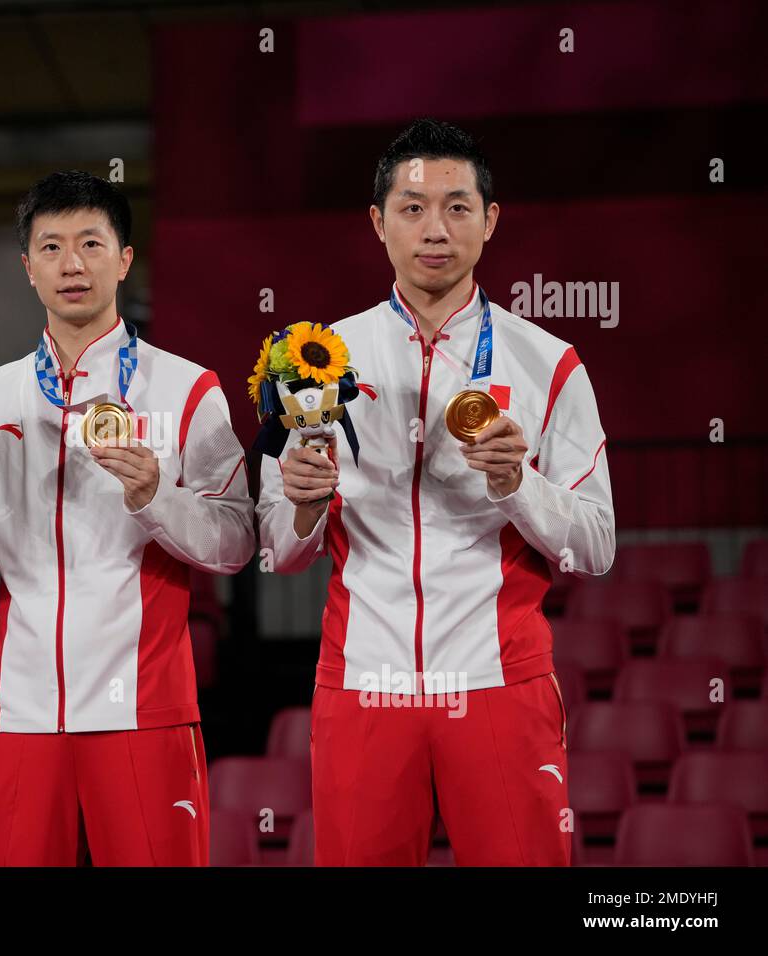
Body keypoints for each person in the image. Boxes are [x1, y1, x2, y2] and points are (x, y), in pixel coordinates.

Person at [257, 119, 615, 866]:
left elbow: (597, 546)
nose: (435, 228)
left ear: (489, 220)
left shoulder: (550, 363)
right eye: (413, 207)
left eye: (457, 206)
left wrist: (520, 486)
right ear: (378, 222)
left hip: (498, 680)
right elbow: (282, 555)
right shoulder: (311, 362)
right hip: (363, 684)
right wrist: (300, 505)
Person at [0, 171, 255, 865]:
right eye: (52, 247)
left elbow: (237, 544)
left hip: (143, 709)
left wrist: (157, 495)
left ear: (124, 259)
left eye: (91, 243)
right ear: (27, 267)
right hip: (23, 712)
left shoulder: (187, 387)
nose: (72, 264)